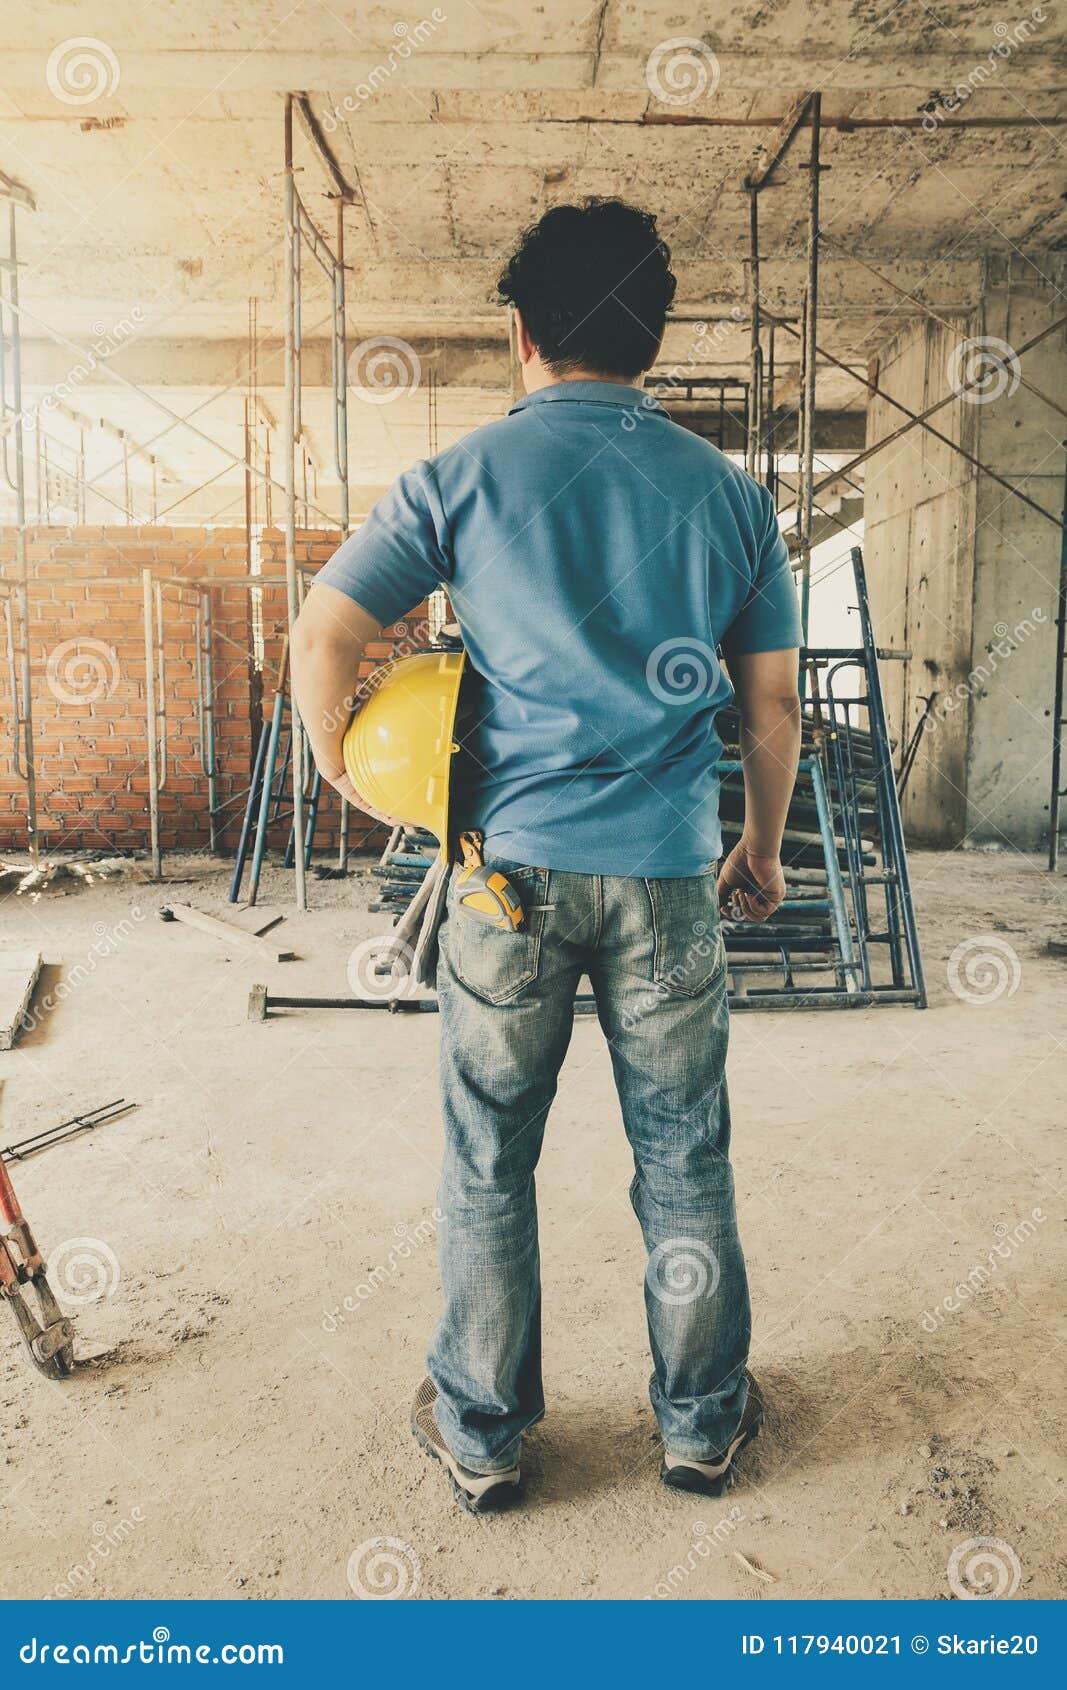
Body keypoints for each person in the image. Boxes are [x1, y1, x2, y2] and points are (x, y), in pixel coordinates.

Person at [292, 198, 801, 1515]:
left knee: (487, 1162)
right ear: (653, 337)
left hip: (503, 877)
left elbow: (322, 631)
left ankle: (485, 1433)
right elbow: (770, 709)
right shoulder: (730, 497)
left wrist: (345, 767)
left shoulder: (458, 479)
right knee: (685, 1156)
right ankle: (698, 1424)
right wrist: (756, 845)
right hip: (670, 876)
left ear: (520, 331)